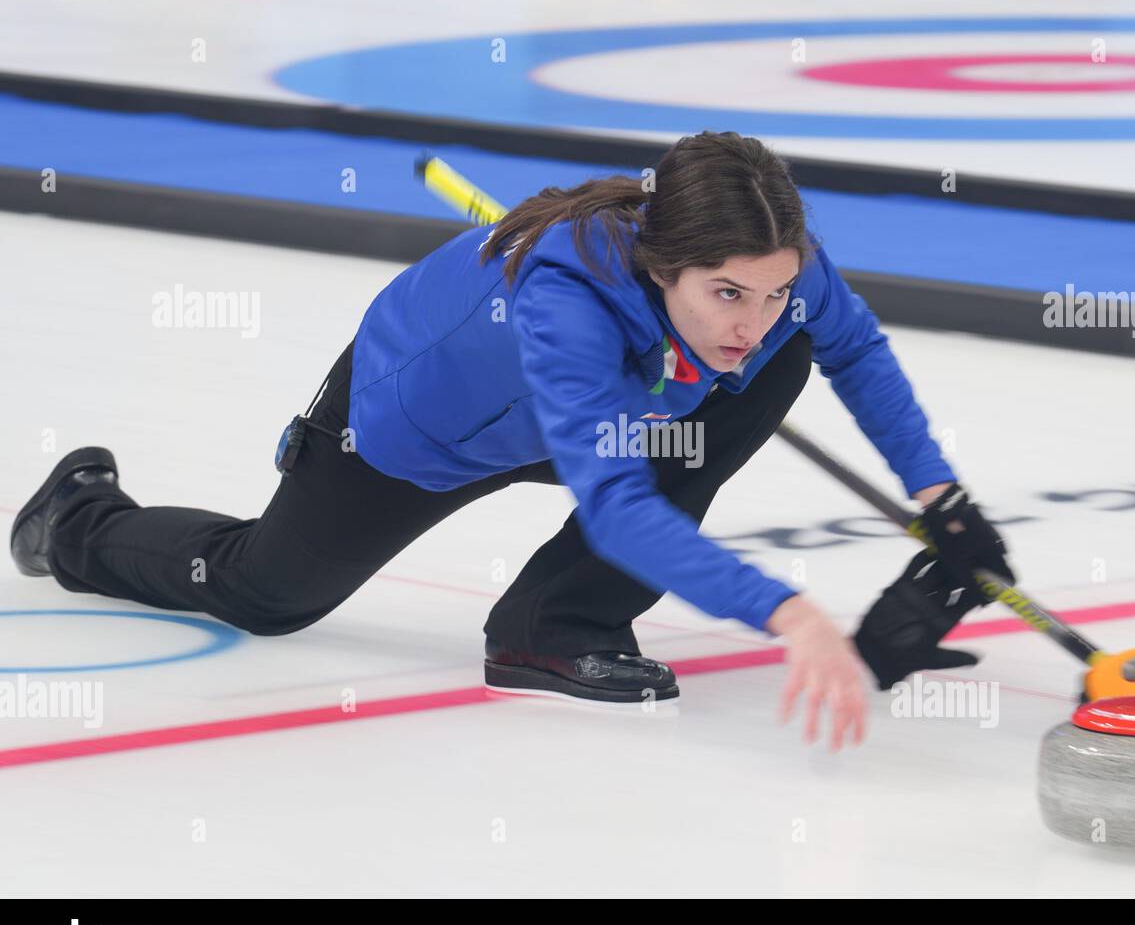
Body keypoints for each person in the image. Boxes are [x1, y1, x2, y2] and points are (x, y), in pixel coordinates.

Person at [11, 131, 1013, 751]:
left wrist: (941, 499)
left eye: (774, 288)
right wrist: (792, 614)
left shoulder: (768, 265)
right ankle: (79, 516)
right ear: (664, 267)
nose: (754, 310)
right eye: (726, 293)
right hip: (420, 427)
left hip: (616, 407)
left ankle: (553, 626)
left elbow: (857, 350)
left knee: (776, 363)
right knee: (266, 594)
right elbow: (619, 502)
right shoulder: (565, 303)